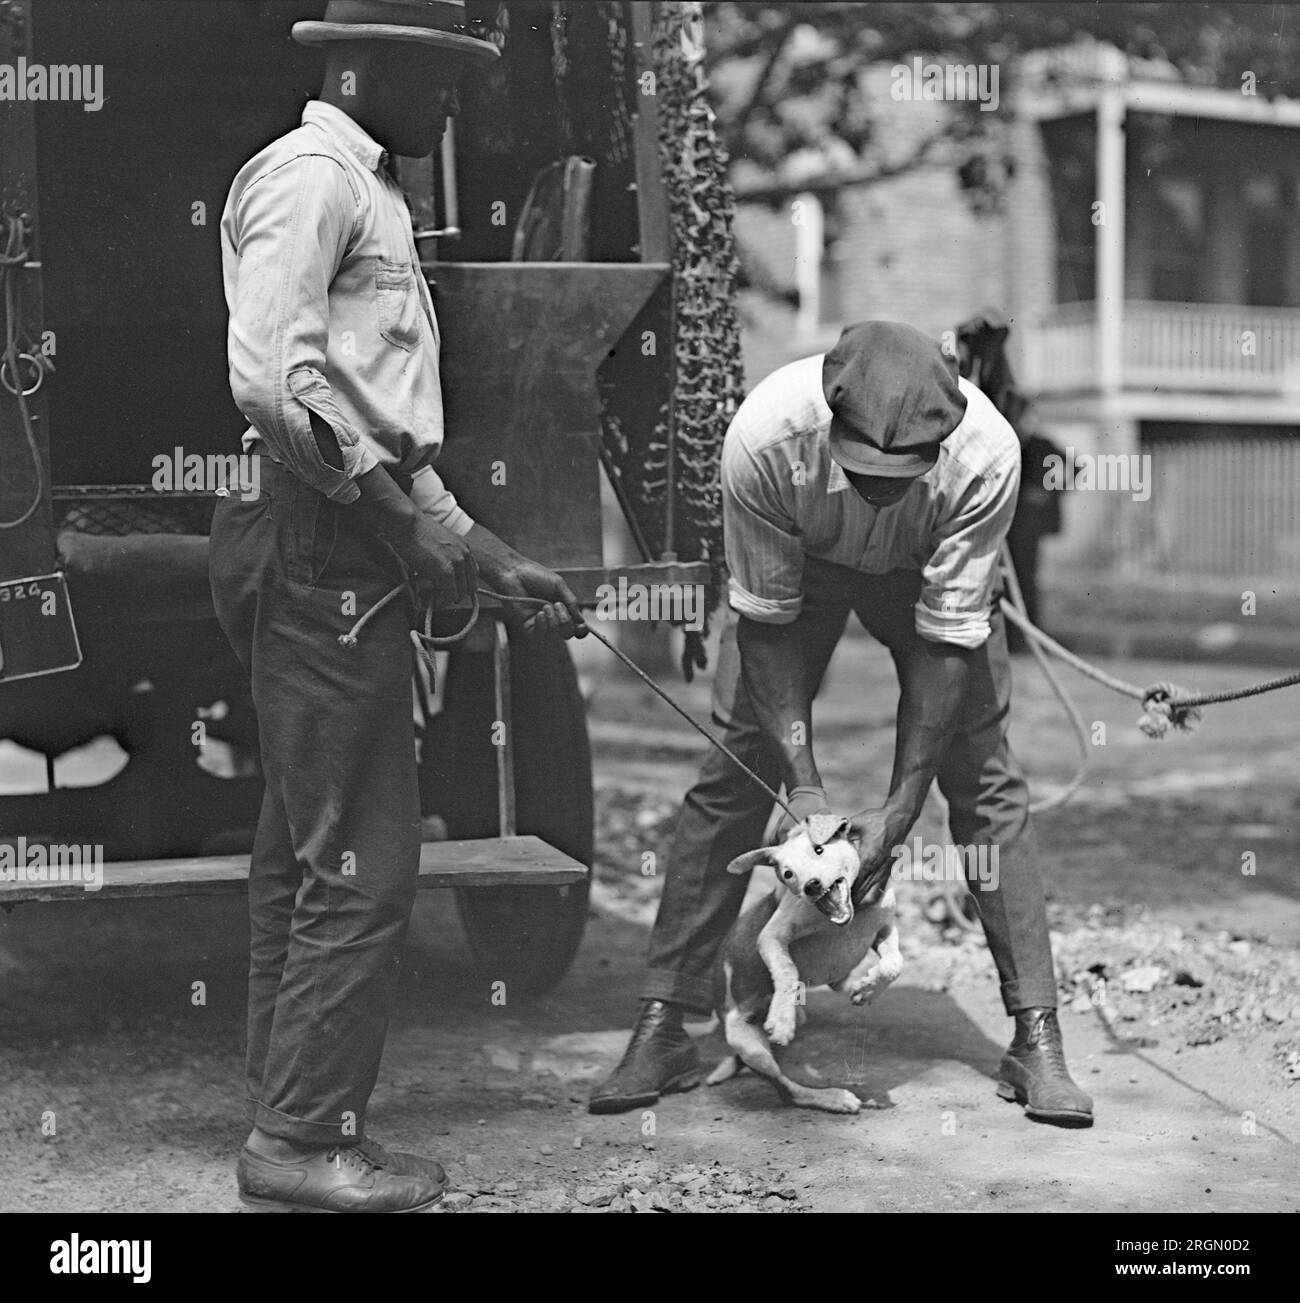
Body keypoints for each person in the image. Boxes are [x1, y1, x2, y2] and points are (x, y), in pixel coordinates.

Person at [212, 0, 583, 1214]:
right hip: (317, 538)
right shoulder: (310, 180)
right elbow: (280, 382)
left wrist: (478, 548)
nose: (454, 103)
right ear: (358, 66)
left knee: (305, 850)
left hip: (333, 532)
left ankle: (289, 1107)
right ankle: (303, 1136)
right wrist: (390, 520)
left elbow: (372, 408)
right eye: (434, 78)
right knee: (363, 862)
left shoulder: (367, 190)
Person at [590, 321, 1092, 1128]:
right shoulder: (762, 438)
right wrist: (805, 780)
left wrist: (899, 811)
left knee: (985, 780)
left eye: (900, 480)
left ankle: (1037, 1033)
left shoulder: (991, 457)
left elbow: (949, 640)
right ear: (829, 425)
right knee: (735, 769)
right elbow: (765, 622)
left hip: (927, 572)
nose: (879, 494)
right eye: (863, 476)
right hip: (802, 565)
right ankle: (666, 1019)